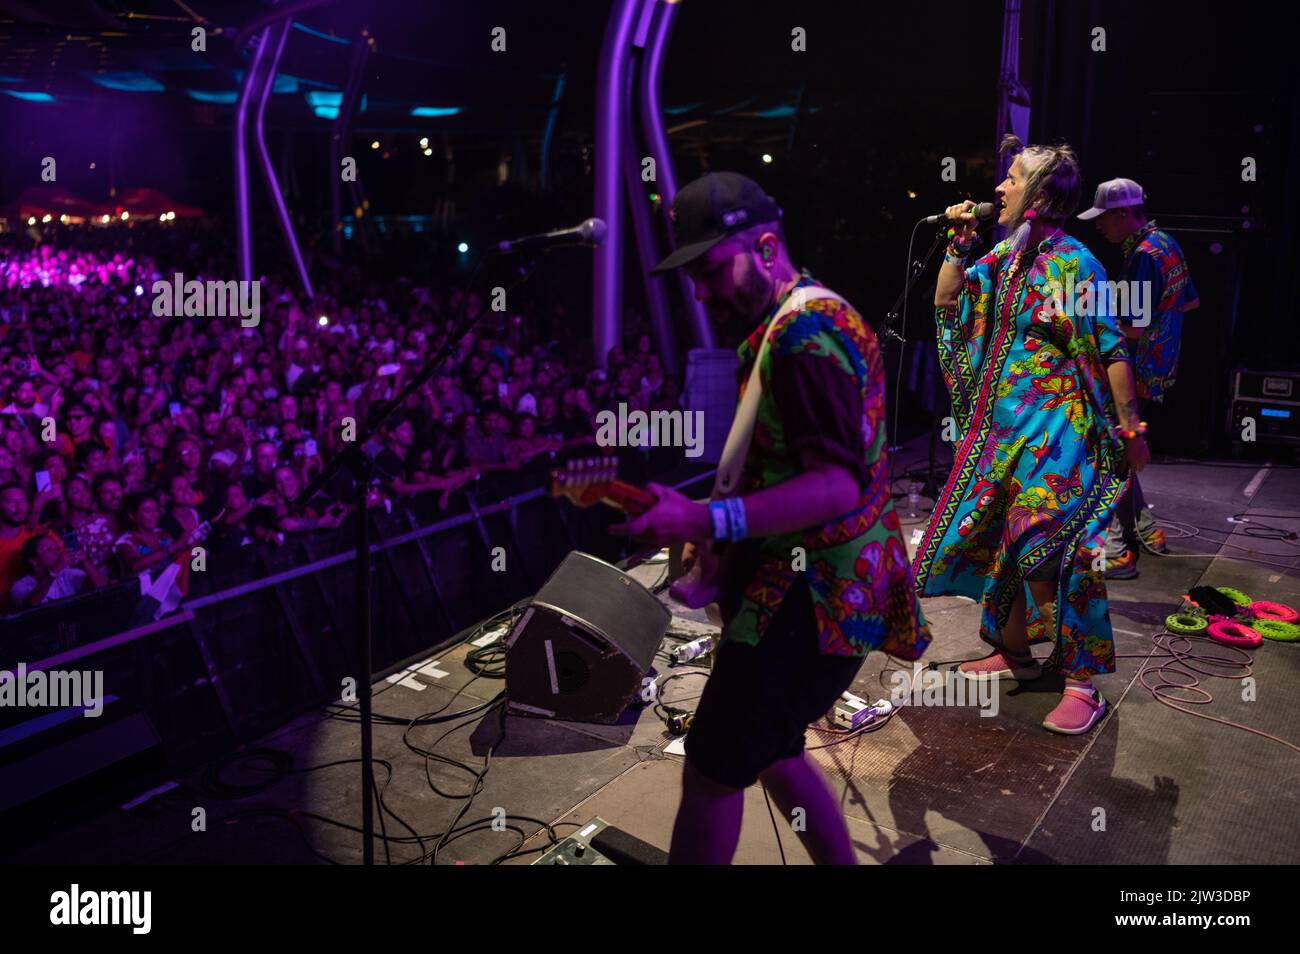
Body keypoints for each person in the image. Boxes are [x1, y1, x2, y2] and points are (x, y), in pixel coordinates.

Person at [611, 172, 931, 865]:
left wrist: (706, 516)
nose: (699, 291)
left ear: (763, 246)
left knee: (712, 768)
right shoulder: (794, 321)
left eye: (708, 270)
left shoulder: (803, 335)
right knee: (778, 750)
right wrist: (720, 556)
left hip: (810, 603)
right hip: (814, 592)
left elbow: (835, 486)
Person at [911, 136, 1149, 736]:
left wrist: (1130, 428)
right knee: (997, 541)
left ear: (1040, 196)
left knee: (1044, 549)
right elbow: (947, 305)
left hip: (1057, 432)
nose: (999, 188)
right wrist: (959, 246)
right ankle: (1015, 651)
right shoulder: (1008, 258)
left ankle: (1081, 683)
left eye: (1012, 178)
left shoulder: (1075, 263)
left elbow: (1111, 347)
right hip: (1004, 433)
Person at [1079, 177, 1200, 578]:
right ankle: (1148, 529)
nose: (1099, 227)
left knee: (1109, 453)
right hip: (1161, 364)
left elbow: (1133, 327)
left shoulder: (1144, 255)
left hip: (1138, 367)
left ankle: (1115, 550)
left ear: (1125, 213)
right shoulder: (1166, 243)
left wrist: (1090, 320)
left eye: (1104, 219)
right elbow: (1190, 302)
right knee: (1120, 453)